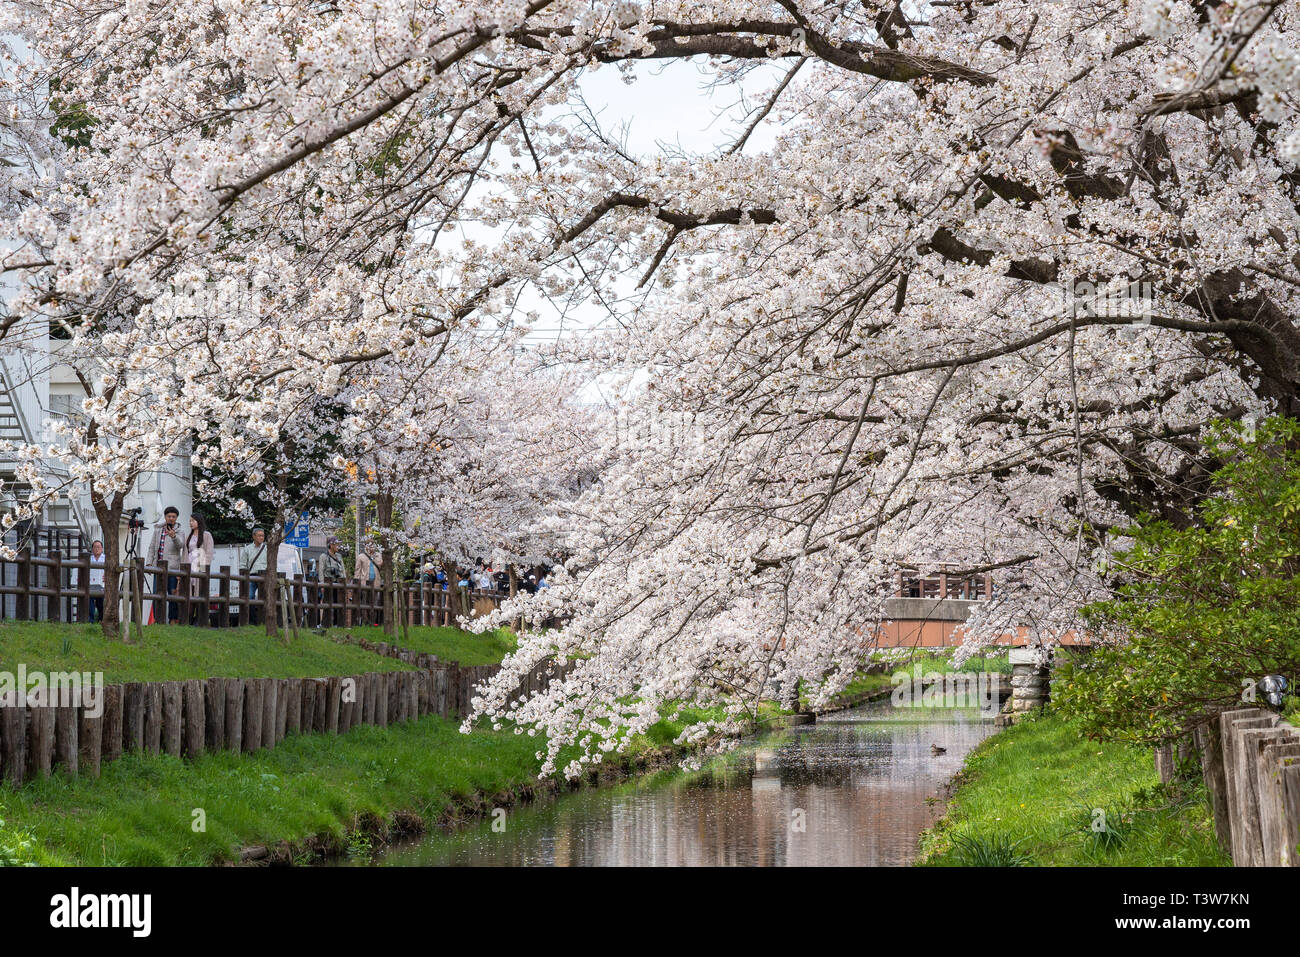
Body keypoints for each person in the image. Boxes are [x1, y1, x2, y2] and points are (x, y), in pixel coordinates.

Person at [150, 506, 185, 624]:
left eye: (173, 517)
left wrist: (173, 536)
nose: (171, 518)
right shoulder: (158, 529)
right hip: (158, 567)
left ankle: (172, 620)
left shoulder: (180, 530)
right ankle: (157, 619)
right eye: (169, 516)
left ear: (176, 518)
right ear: (165, 517)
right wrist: (149, 562)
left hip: (172, 568)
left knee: (172, 595)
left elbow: (181, 545)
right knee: (156, 594)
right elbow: (152, 547)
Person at [185, 514, 215, 625]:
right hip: (190, 565)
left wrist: (204, 568)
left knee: (200, 592)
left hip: (200, 566)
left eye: (193, 521)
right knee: (190, 593)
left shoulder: (206, 535)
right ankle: (188, 620)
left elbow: (209, 552)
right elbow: (186, 552)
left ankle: (200, 619)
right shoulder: (189, 535)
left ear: (199, 521)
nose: (190, 523)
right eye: (190, 521)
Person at [239, 528, 268, 625]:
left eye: (262, 535)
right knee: (250, 597)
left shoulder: (267, 549)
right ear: (254, 536)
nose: (261, 537)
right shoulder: (247, 549)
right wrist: (244, 575)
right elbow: (243, 564)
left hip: (264, 576)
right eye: (259, 535)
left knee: (265, 598)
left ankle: (263, 621)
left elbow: (271, 563)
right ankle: (252, 621)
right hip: (251, 575)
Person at [87, 539, 106, 622]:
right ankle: (90, 621)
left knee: (102, 604)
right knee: (89, 602)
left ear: (102, 548)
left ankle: (101, 621)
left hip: (103, 586)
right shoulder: (88, 559)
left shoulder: (106, 559)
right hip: (91, 585)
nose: (96, 549)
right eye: (95, 547)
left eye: (98, 547)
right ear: (92, 549)